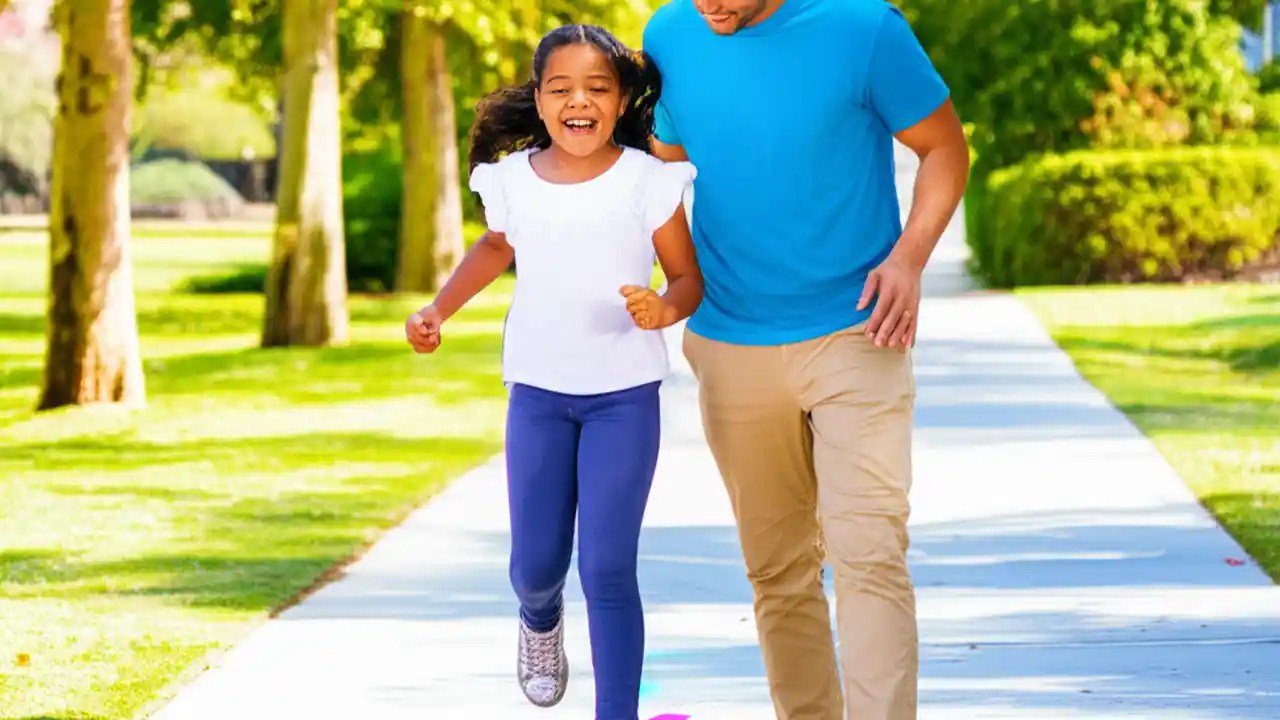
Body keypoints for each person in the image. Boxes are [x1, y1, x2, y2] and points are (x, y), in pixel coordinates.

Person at [642, 0, 970, 718]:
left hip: (858, 330)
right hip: (731, 343)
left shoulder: (866, 30)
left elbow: (945, 147)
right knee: (778, 572)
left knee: (870, 554)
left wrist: (909, 260)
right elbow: (661, 174)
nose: (710, 4)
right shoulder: (669, 35)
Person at [403, 24, 702, 720]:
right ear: (539, 101)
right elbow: (492, 248)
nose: (579, 101)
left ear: (622, 98)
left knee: (605, 567)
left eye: (598, 88)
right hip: (537, 396)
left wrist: (664, 307)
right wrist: (438, 310)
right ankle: (539, 623)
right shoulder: (511, 182)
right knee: (535, 568)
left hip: (624, 399)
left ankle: (616, 711)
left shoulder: (648, 182)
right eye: (561, 88)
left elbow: (687, 277)